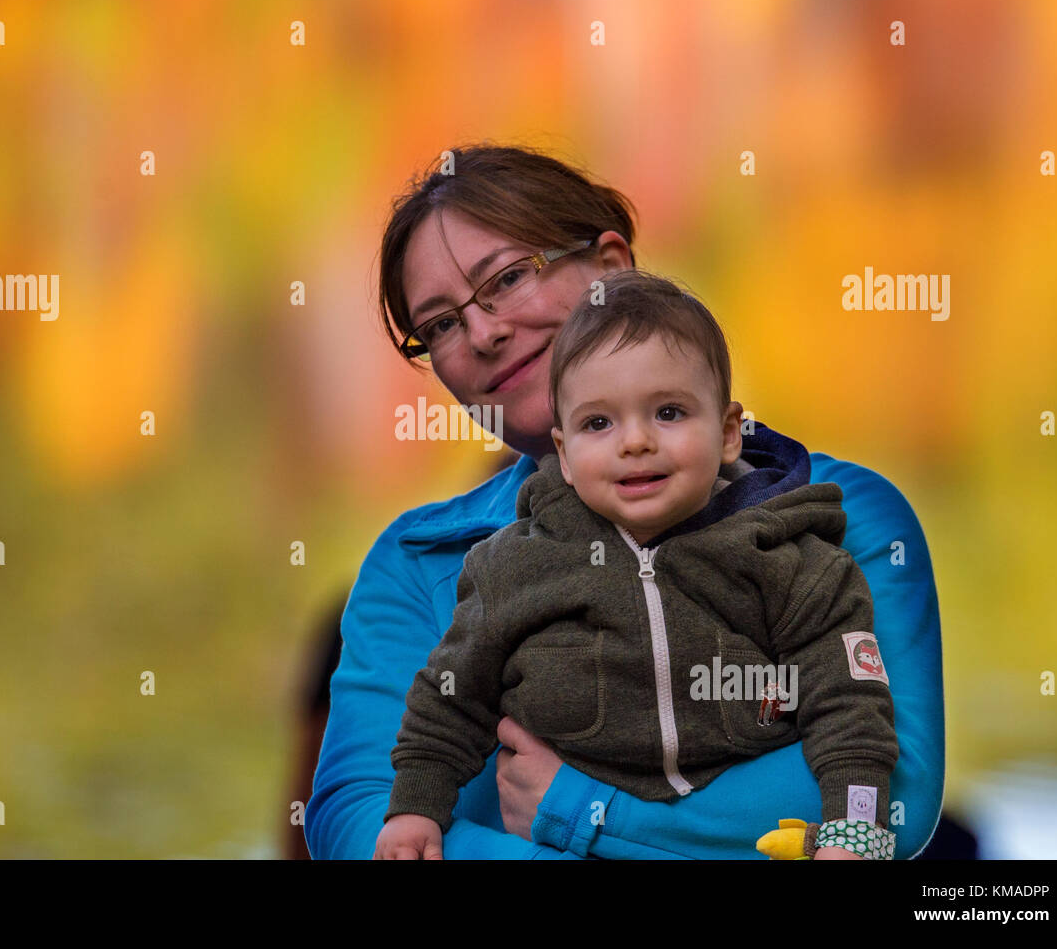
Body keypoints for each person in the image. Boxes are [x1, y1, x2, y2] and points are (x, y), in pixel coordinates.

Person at [305, 144, 944, 859]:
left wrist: (584, 813)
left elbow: (891, 800)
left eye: (509, 278)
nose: (484, 333)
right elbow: (362, 828)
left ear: (612, 266)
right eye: (443, 325)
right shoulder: (416, 562)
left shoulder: (837, 519)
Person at [374, 271, 898, 861]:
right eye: (599, 423)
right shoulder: (515, 569)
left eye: (669, 412)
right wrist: (414, 808)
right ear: (564, 454)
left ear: (728, 433)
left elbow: (852, 706)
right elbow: (450, 700)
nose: (636, 442)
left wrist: (854, 834)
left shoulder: (793, 563)